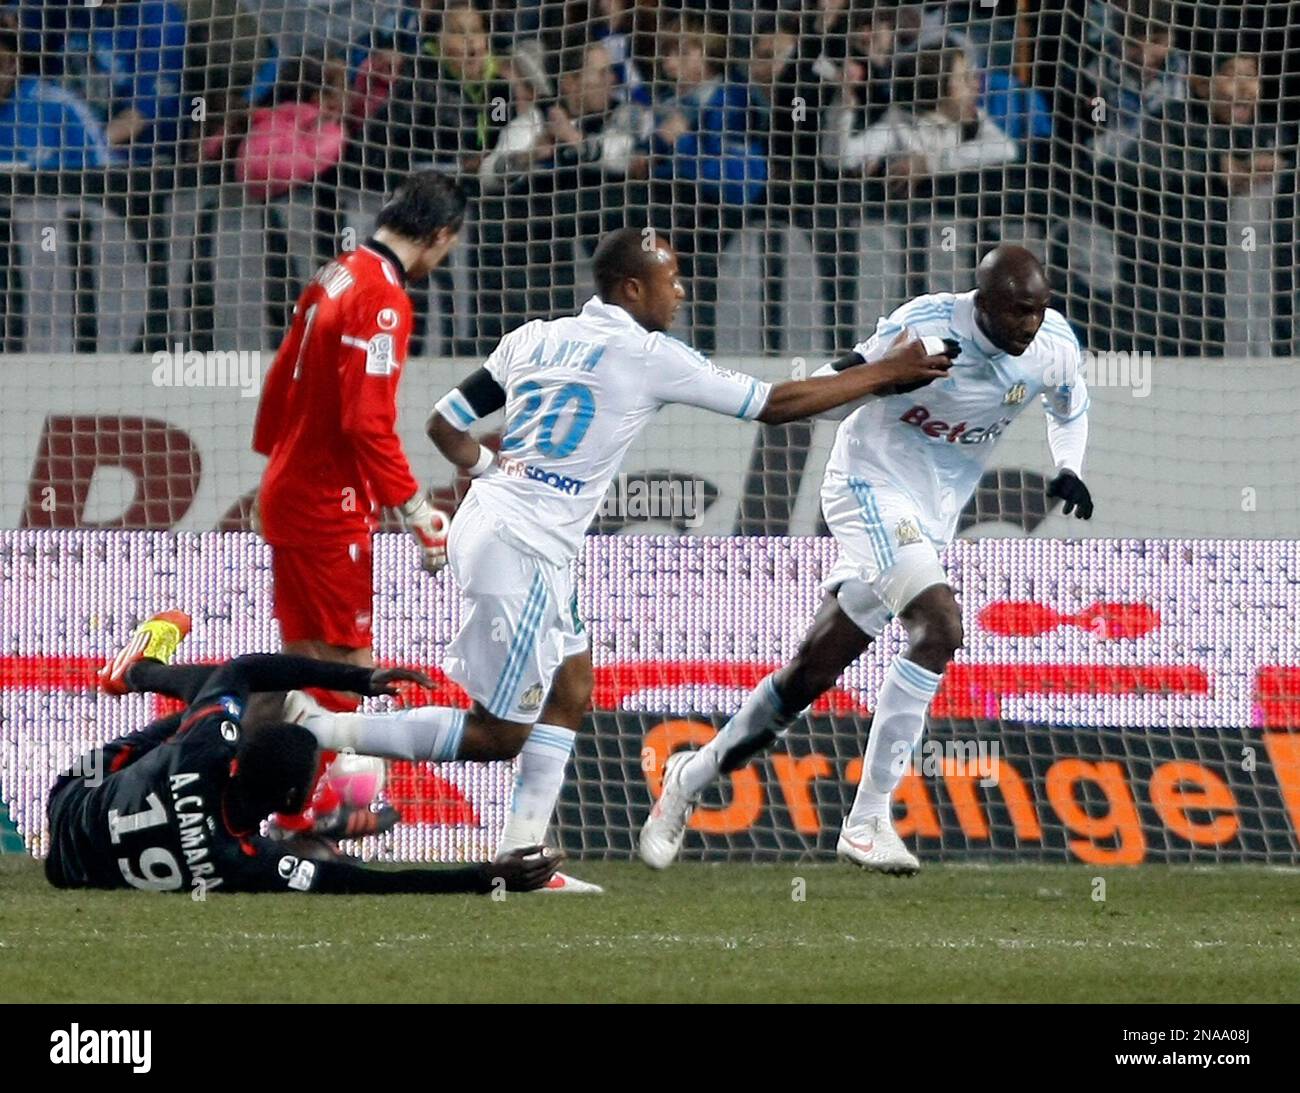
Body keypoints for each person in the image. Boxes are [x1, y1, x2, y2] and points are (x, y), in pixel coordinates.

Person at [292, 226, 955, 893]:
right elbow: (775, 406)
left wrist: (493, 468)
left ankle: (523, 855)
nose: (682, 290)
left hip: (508, 527)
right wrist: (885, 374)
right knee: (499, 734)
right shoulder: (648, 354)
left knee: (572, 685)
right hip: (522, 547)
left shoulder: (534, 335)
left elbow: (443, 422)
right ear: (632, 288)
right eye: (671, 278)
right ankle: (317, 727)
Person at [639, 245, 1095, 875]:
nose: (1031, 324)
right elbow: (832, 386)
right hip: (867, 485)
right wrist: (886, 373)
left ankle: (691, 775)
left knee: (811, 672)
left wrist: (1069, 465)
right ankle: (868, 819)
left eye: (1039, 310)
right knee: (940, 627)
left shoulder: (1052, 345)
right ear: (982, 302)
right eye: (1019, 311)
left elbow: (1070, 403)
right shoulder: (926, 326)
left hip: (932, 515)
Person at [48, 612, 562, 894]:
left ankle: (135, 672)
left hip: (73, 795)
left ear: (240, 756)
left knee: (229, 695)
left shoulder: (203, 751)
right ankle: (135, 672)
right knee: (237, 698)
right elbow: (364, 885)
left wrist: (358, 680)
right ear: (291, 799)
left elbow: (241, 671)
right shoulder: (244, 863)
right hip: (75, 874)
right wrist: (485, 876)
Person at [250, 170, 465, 841]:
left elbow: (284, 373)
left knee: (301, 663)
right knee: (349, 661)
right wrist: (413, 505)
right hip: (326, 502)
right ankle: (347, 801)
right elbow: (365, 422)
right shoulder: (384, 300)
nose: (444, 260)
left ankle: (284, 808)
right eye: (447, 248)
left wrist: (272, 464)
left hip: (294, 488)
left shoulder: (337, 272)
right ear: (436, 237)